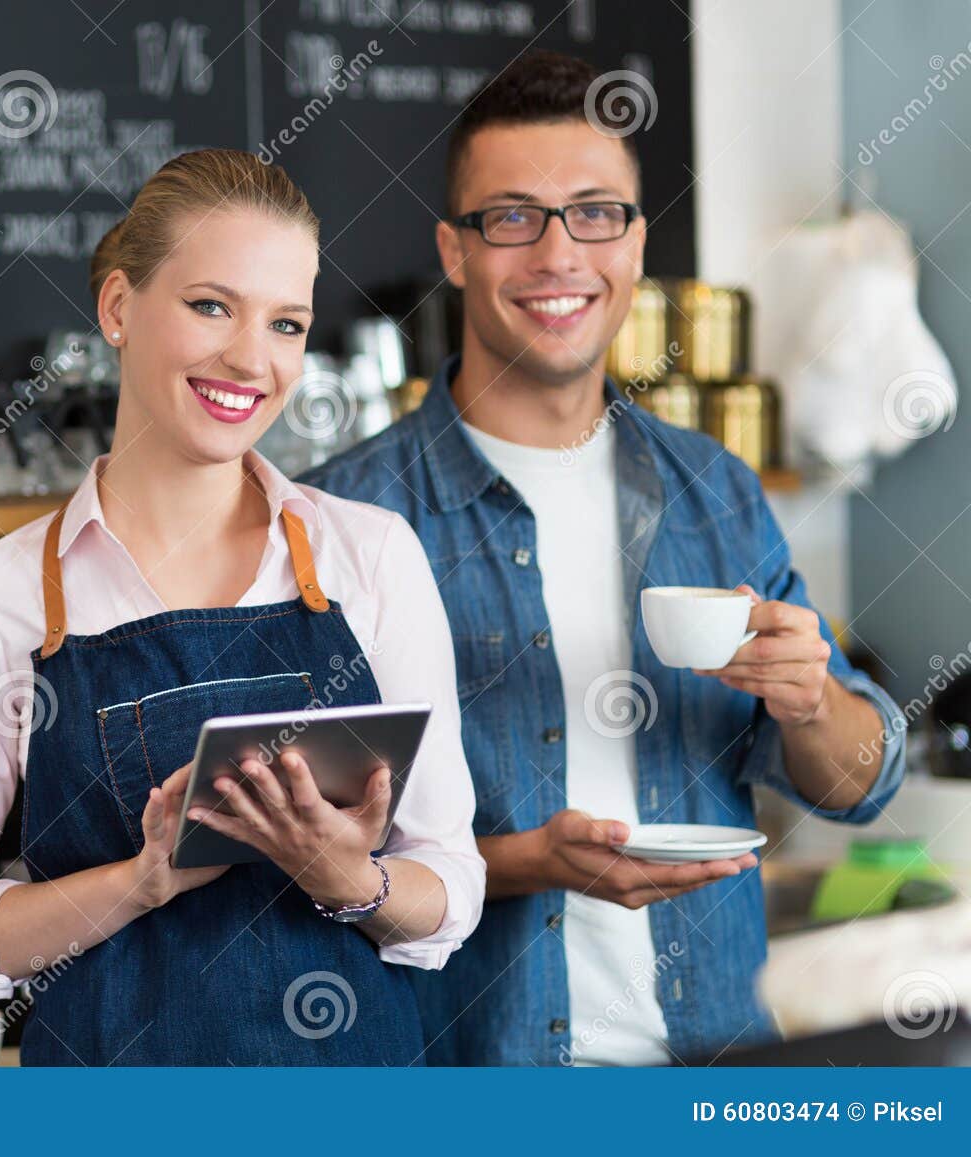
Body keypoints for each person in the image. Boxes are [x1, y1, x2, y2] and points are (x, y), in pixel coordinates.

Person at [300, 51, 906, 1066]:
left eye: (593, 213)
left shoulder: (714, 489)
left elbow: (858, 784)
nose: (558, 254)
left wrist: (811, 703)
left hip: (717, 1066)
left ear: (634, 241)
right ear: (455, 251)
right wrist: (529, 862)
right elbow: (305, 859)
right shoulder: (341, 518)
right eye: (512, 217)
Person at [0, 148, 485, 1066]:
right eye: (211, 306)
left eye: (286, 323)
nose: (251, 358)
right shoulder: (2, 596)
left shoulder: (371, 557)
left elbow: (452, 883)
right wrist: (137, 883)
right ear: (118, 308)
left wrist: (347, 877)